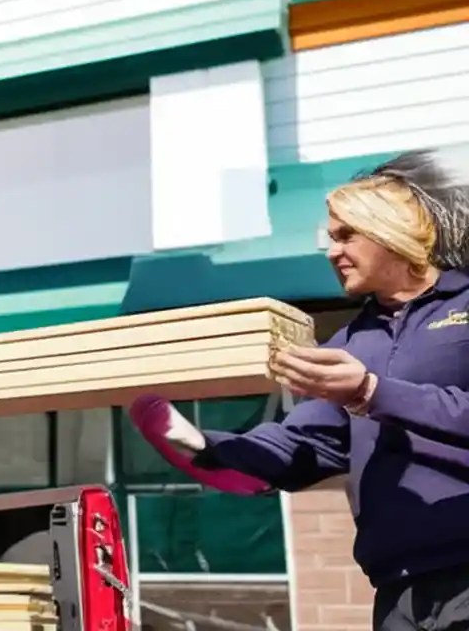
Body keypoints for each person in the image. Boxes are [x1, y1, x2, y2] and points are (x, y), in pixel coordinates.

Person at [137, 151, 469, 630]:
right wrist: (208, 446)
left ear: (391, 230)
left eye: (345, 235)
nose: (332, 251)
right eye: (329, 239)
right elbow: (305, 444)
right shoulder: (352, 341)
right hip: (399, 590)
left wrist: (373, 391)